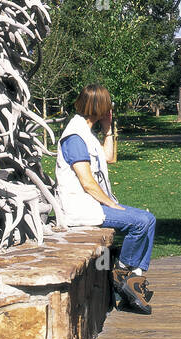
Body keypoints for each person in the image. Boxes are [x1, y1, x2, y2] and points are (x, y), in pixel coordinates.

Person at [54, 85, 155, 314]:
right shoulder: (74, 138)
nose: (110, 108)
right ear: (99, 107)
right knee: (142, 222)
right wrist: (112, 204)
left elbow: (108, 157)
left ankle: (134, 280)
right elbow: (87, 182)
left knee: (149, 220)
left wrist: (108, 129)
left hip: (95, 204)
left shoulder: (86, 133)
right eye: (108, 104)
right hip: (83, 208)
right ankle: (121, 273)